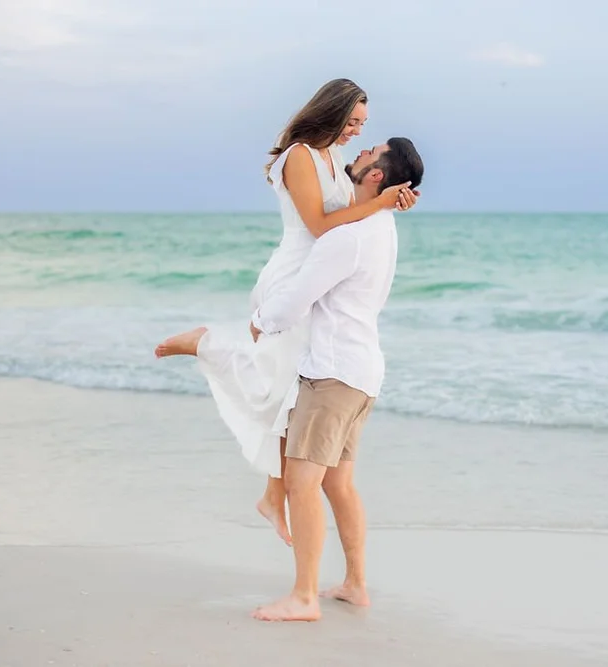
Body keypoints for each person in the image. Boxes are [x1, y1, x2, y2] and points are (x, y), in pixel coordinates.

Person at [154, 79, 418, 546]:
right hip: (293, 276)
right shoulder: (300, 155)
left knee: (289, 396)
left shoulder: (334, 156)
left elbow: (355, 208)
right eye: (354, 121)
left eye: (363, 125)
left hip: (319, 275)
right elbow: (319, 224)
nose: (357, 132)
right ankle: (206, 343)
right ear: (333, 111)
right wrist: (377, 203)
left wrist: (389, 202)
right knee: (275, 388)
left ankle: (272, 496)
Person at [248, 137, 425, 622]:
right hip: (363, 372)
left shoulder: (348, 236)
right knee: (339, 484)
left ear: (375, 176)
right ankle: (355, 584)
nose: (361, 150)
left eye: (371, 151)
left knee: (302, 483)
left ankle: (304, 597)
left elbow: (297, 298)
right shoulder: (382, 227)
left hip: (332, 374)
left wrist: (261, 321)